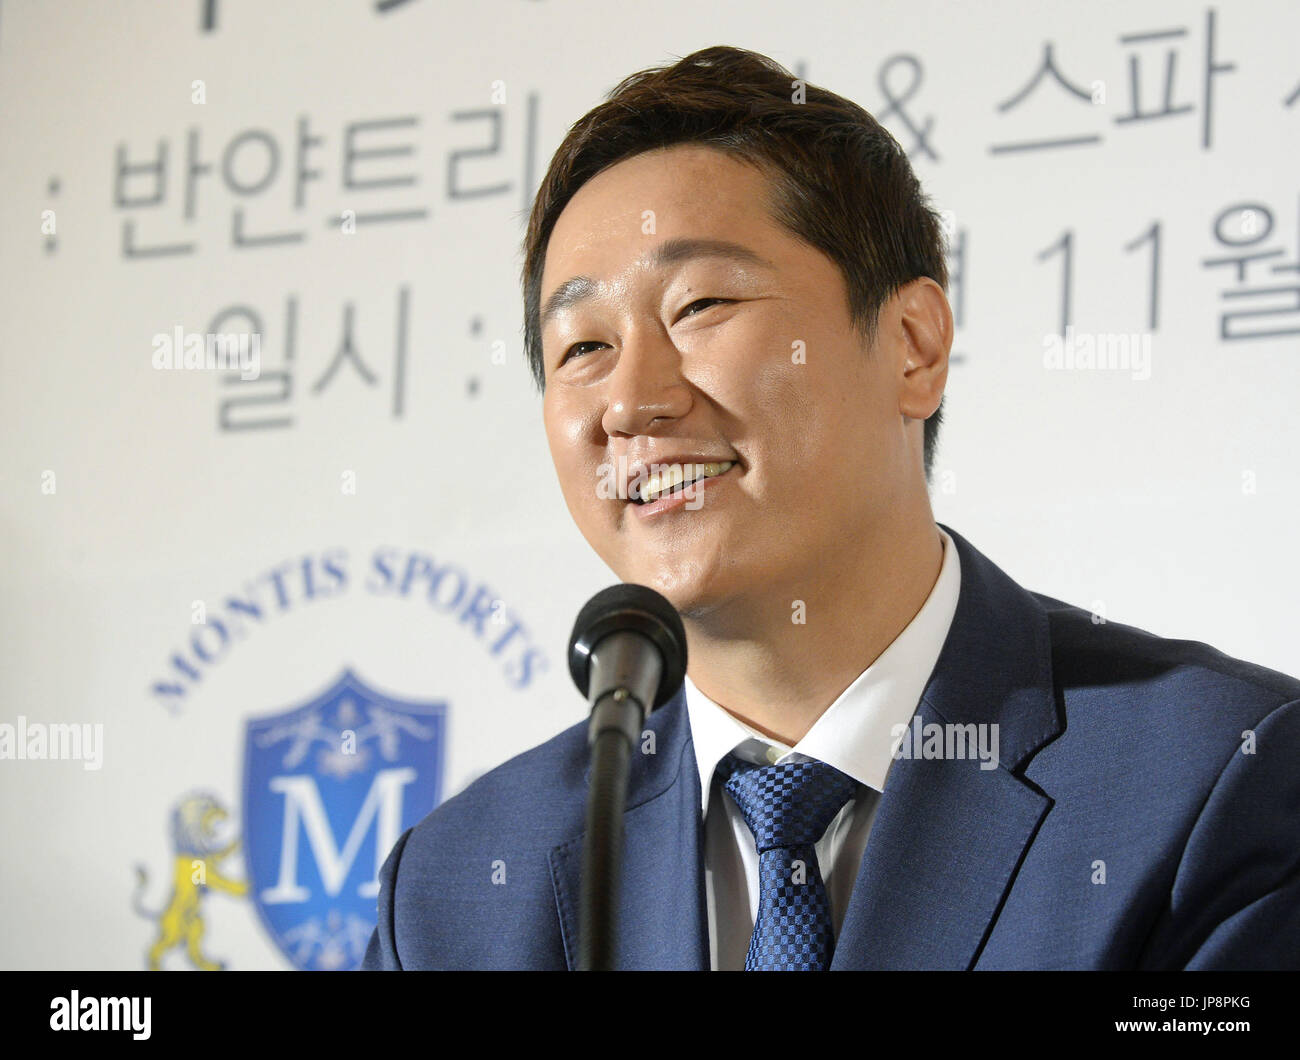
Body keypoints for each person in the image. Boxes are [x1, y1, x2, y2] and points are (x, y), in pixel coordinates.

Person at [362, 45, 1300, 970]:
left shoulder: (1217, 779)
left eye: (700, 305)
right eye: (582, 348)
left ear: (912, 346)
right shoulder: (457, 892)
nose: (631, 401)